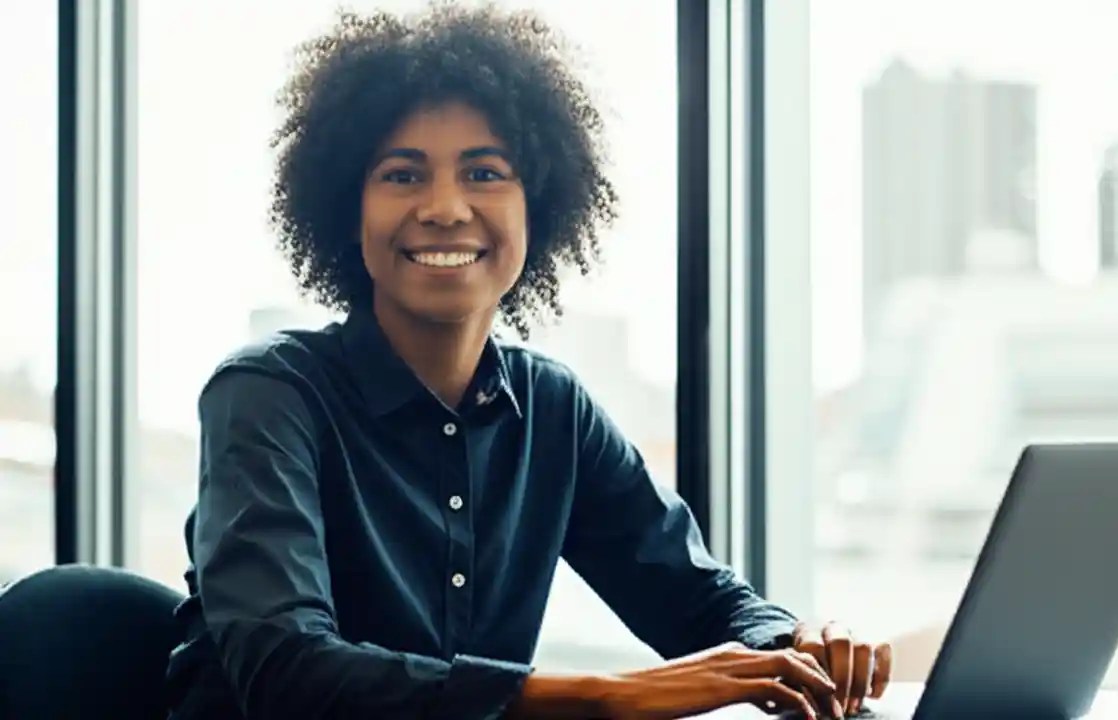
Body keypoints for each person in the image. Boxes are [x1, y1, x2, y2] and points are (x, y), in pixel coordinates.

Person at [163, 5, 891, 719]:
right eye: (402, 175)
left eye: (484, 174)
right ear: (348, 214)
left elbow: (695, 596)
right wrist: (612, 695)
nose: (446, 207)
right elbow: (288, 674)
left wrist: (795, 645)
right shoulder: (268, 393)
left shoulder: (553, 409)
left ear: (537, 208)